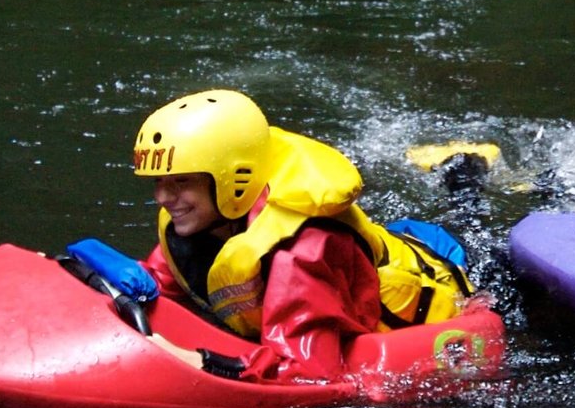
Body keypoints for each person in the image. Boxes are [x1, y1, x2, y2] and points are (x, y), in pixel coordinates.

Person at [131, 89, 470, 380]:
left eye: (181, 181)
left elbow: (307, 371)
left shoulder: (304, 251)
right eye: (159, 181)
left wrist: (206, 362)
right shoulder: (201, 220)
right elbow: (157, 283)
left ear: (231, 180)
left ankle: (465, 171)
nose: (163, 198)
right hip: (387, 244)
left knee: (469, 221)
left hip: (438, 272)